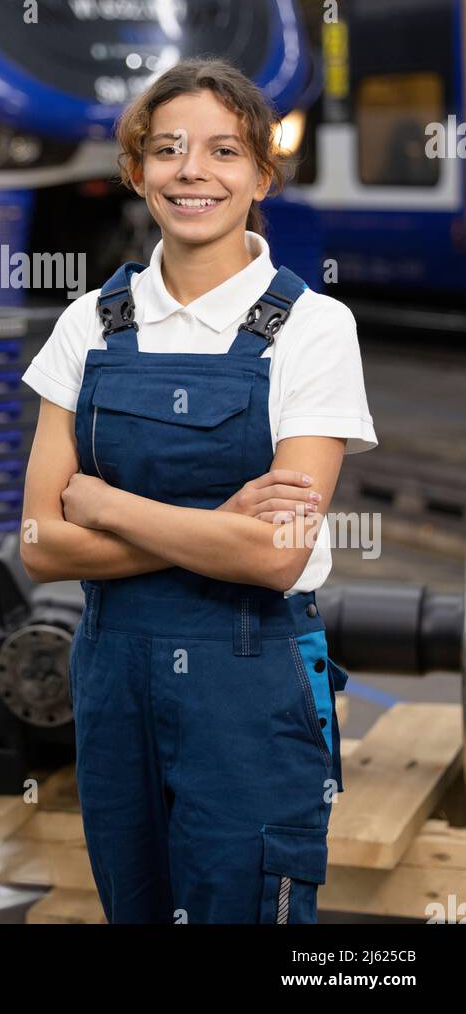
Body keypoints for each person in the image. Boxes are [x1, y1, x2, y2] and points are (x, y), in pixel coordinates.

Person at [19, 57, 377, 925]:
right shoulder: (90, 324)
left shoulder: (313, 329)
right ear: (136, 171)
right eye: (167, 149)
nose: (192, 172)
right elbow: (38, 547)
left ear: (260, 175)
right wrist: (214, 525)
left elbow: (274, 554)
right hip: (113, 683)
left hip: (249, 685)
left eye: (222, 152)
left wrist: (104, 505)